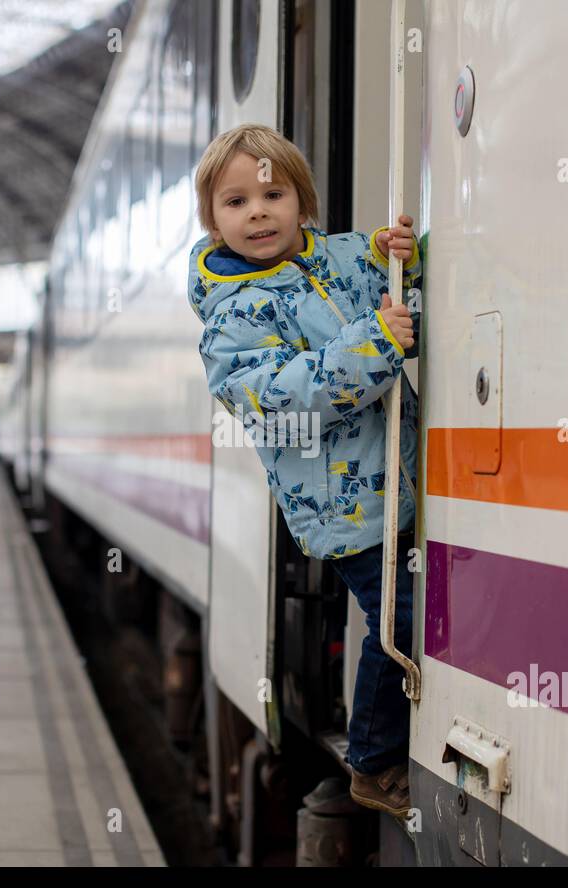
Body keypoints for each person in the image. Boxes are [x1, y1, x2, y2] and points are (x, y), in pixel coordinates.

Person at [188, 123, 422, 819]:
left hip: (401, 482)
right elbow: (282, 397)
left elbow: (396, 278)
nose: (258, 211)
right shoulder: (231, 319)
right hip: (341, 507)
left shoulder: (341, 257)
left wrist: (403, 253)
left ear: (302, 200)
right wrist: (376, 343)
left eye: (273, 192)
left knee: (411, 612)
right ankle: (373, 764)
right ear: (213, 221)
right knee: (400, 621)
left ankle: (382, 750)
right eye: (235, 202)